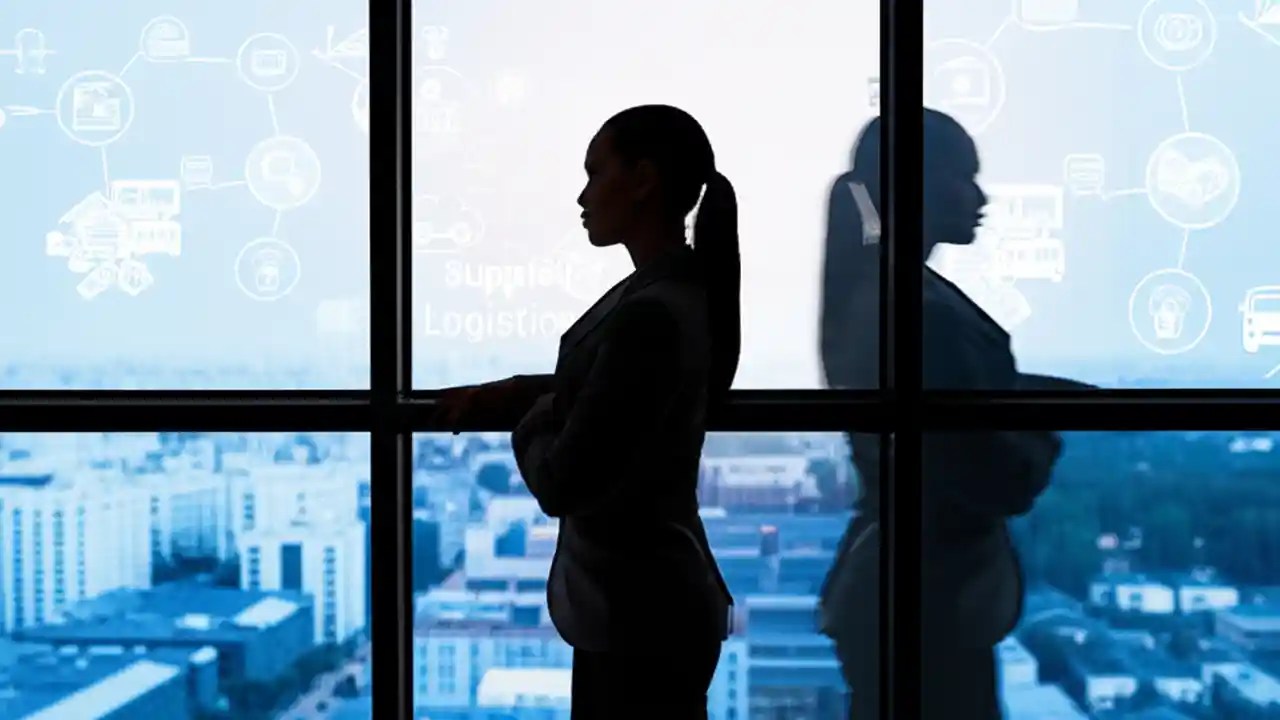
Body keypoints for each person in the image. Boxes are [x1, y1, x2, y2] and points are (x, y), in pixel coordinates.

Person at [435, 104, 738, 718]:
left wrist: (531, 416)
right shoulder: (679, 295)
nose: (583, 195)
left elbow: (562, 481)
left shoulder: (649, 312)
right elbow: (616, 390)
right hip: (655, 607)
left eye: (596, 173)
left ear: (643, 180)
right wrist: (520, 391)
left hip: (637, 614)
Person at [817, 110, 1064, 719]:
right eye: (963, 177)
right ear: (916, 184)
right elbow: (997, 476)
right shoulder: (923, 312)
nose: (980, 198)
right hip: (932, 594)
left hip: (900, 587)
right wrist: (1042, 429)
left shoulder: (880, 295)